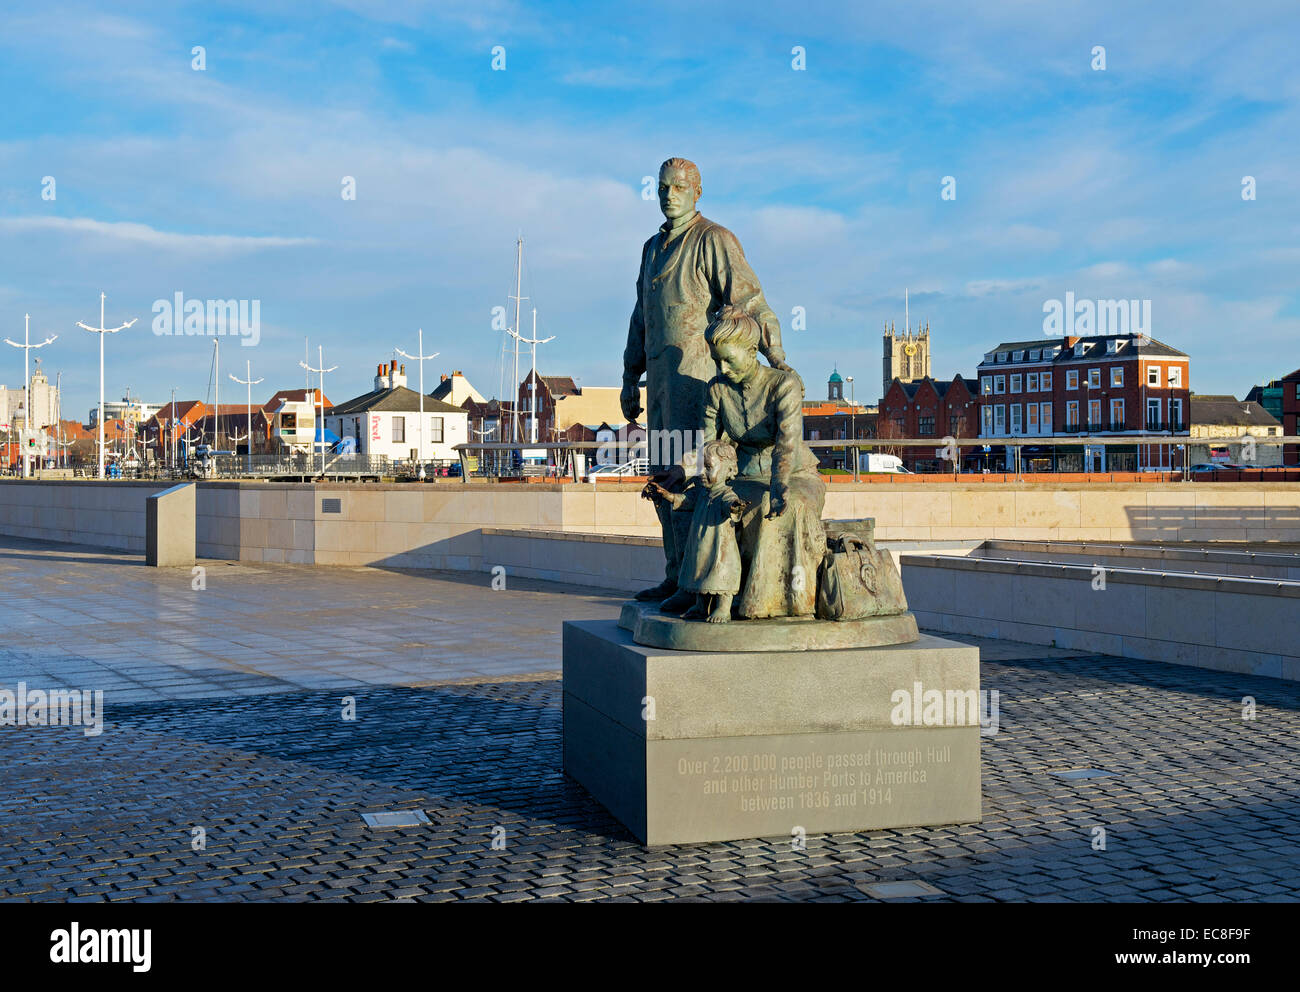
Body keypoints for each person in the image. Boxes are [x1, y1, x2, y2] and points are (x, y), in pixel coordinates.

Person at [622, 157, 793, 603]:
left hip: (697, 383)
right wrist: (629, 376)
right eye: (663, 187)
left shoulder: (713, 240)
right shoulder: (650, 249)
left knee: (695, 477)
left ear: (697, 191)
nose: (669, 195)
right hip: (659, 384)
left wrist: (774, 353)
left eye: (679, 187)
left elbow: (750, 299)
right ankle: (674, 573)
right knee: (662, 479)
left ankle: (696, 581)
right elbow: (641, 317)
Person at [658, 305, 825, 619]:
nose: (722, 367)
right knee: (708, 503)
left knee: (776, 510)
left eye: (729, 359)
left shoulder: (782, 385)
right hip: (743, 476)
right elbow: (708, 446)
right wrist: (680, 472)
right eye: (717, 360)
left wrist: (779, 486)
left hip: (794, 476)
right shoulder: (717, 390)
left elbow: (786, 445)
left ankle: (771, 603)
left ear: (752, 351)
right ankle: (701, 594)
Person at [642, 439, 748, 623]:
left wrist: (735, 508)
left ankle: (723, 608)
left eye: (708, 467)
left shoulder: (726, 494)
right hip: (700, 545)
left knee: (719, 574)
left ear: (729, 471)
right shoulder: (700, 492)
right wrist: (666, 495)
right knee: (699, 571)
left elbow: (730, 505)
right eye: (700, 467)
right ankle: (701, 606)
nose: (702, 473)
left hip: (718, 549)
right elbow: (684, 500)